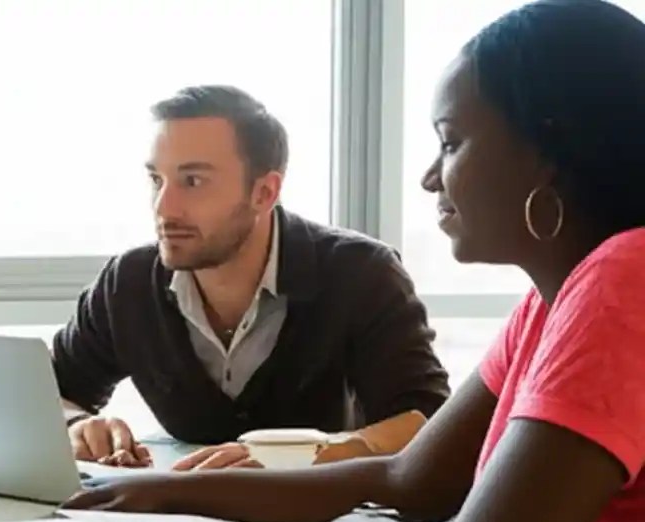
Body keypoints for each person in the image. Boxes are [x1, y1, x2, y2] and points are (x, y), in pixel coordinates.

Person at [63, 0, 645, 522]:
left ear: (548, 151)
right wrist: (166, 490)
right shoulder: (554, 302)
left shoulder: (623, 279)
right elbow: (412, 477)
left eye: (451, 141)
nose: (431, 176)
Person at [54, 85, 450, 471]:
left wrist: (313, 452)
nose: (164, 207)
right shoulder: (128, 283)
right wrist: (77, 426)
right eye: (157, 180)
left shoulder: (361, 272)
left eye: (193, 182)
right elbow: (51, 393)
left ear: (264, 192)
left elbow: (428, 418)